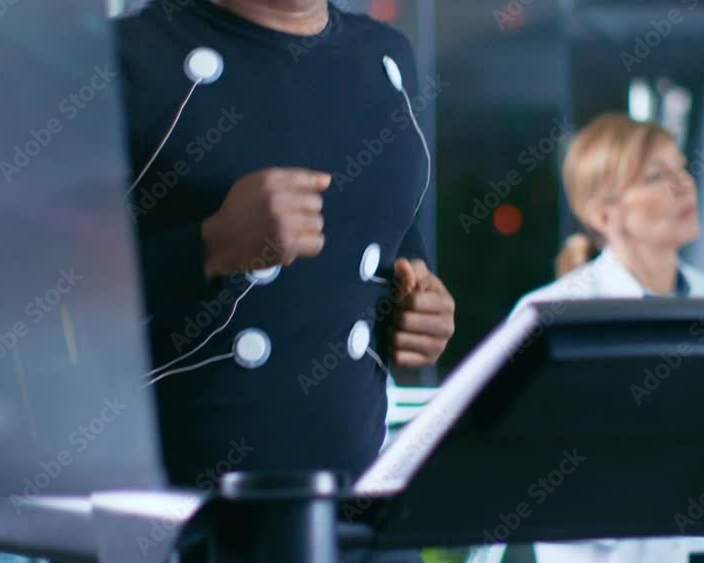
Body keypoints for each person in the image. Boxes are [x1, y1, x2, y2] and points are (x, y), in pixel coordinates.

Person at [114, 1, 454, 559]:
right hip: (179, 527)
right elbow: (34, 298)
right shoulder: (122, 57)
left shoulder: (386, 54)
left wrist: (416, 301)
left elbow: (391, 223)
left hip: (358, 515)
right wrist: (209, 246)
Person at [513, 113, 704, 563]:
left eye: (682, 168)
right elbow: (528, 465)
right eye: (657, 176)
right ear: (604, 213)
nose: (684, 185)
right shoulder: (552, 317)